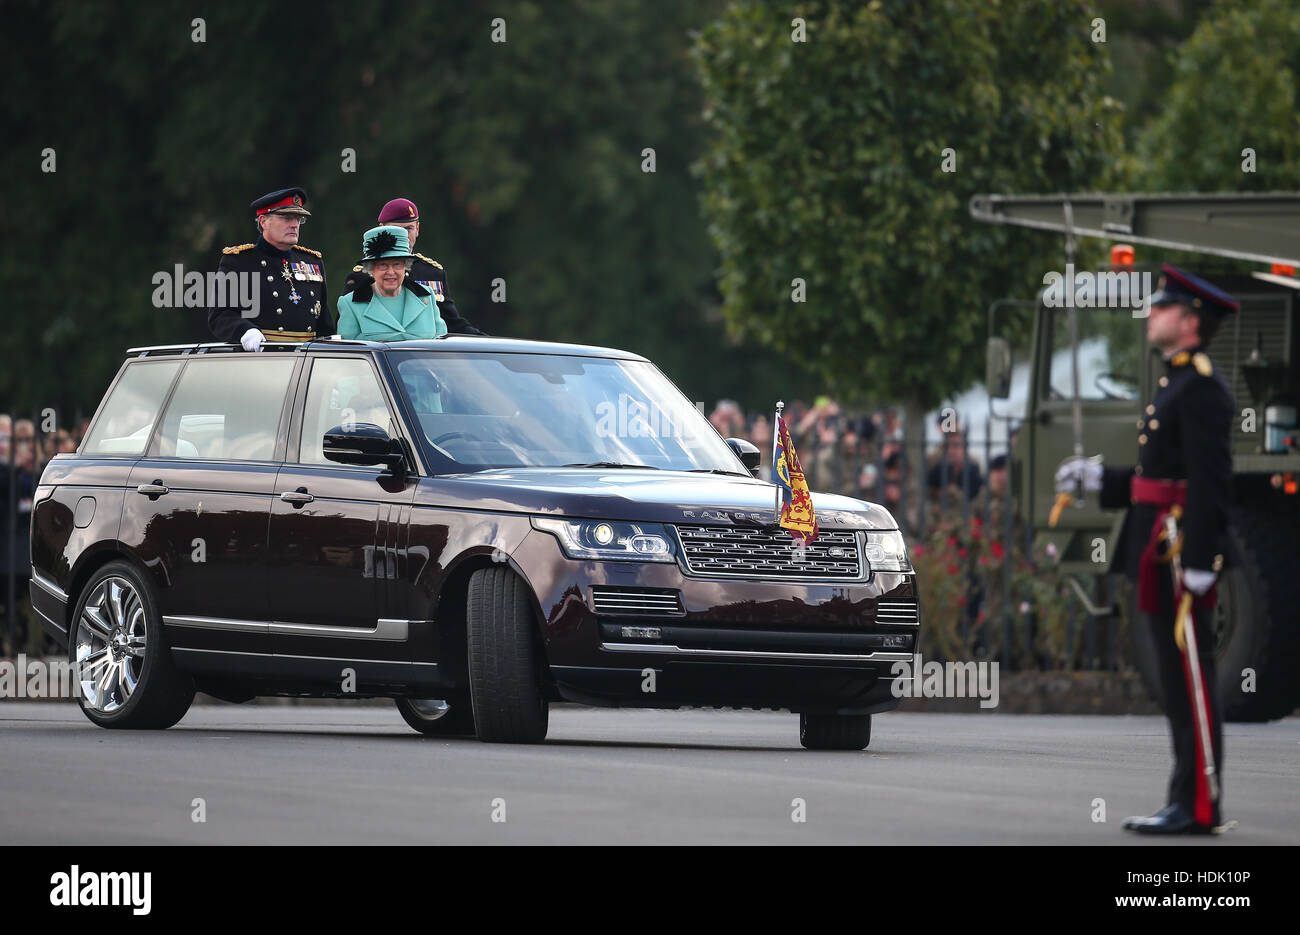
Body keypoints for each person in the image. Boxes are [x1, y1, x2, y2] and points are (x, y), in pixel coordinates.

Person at [1056, 263, 1236, 835]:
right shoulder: (1175, 383)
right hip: (1159, 542)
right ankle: (1184, 796)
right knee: (1175, 678)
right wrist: (1098, 480)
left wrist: (1205, 564)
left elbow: (1210, 484)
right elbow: (1152, 477)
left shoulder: (1202, 388)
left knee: (1191, 678)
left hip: (1182, 549)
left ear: (1189, 322)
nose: (1150, 314)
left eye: (1161, 307)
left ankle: (1200, 801)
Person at [208, 187, 332, 348]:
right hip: (263, 359)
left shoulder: (311, 262)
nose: (295, 225)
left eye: (298, 219)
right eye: (287, 218)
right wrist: (246, 332)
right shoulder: (239, 261)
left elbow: (324, 324)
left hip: (305, 361)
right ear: (263, 221)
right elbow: (220, 315)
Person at [346, 197, 484, 335]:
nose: (403, 236)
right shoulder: (360, 277)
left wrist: (493, 347)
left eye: (409, 229)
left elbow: (452, 325)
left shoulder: (432, 274)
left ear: (417, 229)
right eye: (396, 230)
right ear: (382, 229)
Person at [337, 226, 446, 341]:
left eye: (397, 264)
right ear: (371, 269)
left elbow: (441, 346)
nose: (390, 272)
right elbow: (351, 355)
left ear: (405, 266)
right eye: (383, 265)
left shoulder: (427, 296)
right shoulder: (350, 304)